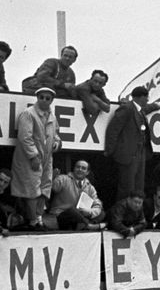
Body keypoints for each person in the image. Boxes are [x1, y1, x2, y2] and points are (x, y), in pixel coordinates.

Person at [12, 87, 61, 229]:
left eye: (47, 98)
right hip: (29, 159)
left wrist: (56, 143)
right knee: (31, 190)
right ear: (37, 98)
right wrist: (33, 156)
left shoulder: (52, 116)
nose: (44, 100)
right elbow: (25, 137)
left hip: (47, 158)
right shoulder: (28, 114)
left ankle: (39, 218)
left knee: (45, 188)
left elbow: (56, 134)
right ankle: (32, 221)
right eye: (42, 97)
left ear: (52, 100)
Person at [105, 85, 155, 202]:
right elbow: (113, 129)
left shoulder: (140, 111)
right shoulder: (127, 108)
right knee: (127, 188)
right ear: (141, 97)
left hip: (140, 154)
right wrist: (110, 150)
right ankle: (121, 215)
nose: (148, 100)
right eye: (146, 97)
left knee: (138, 188)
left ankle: (134, 216)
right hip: (128, 155)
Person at [47, 159, 105, 230]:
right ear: (74, 168)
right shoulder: (63, 179)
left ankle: (86, 226)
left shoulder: (90, 187)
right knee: (72, 210)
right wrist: (52, 177)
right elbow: (53, 188)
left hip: (80, 217)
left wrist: (89, 212)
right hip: (61, 215)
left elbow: (97, 204)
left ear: (87, 172)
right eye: (78, 167)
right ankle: (88, 225)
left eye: (83, 168)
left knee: (102, 213)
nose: (80, 169)